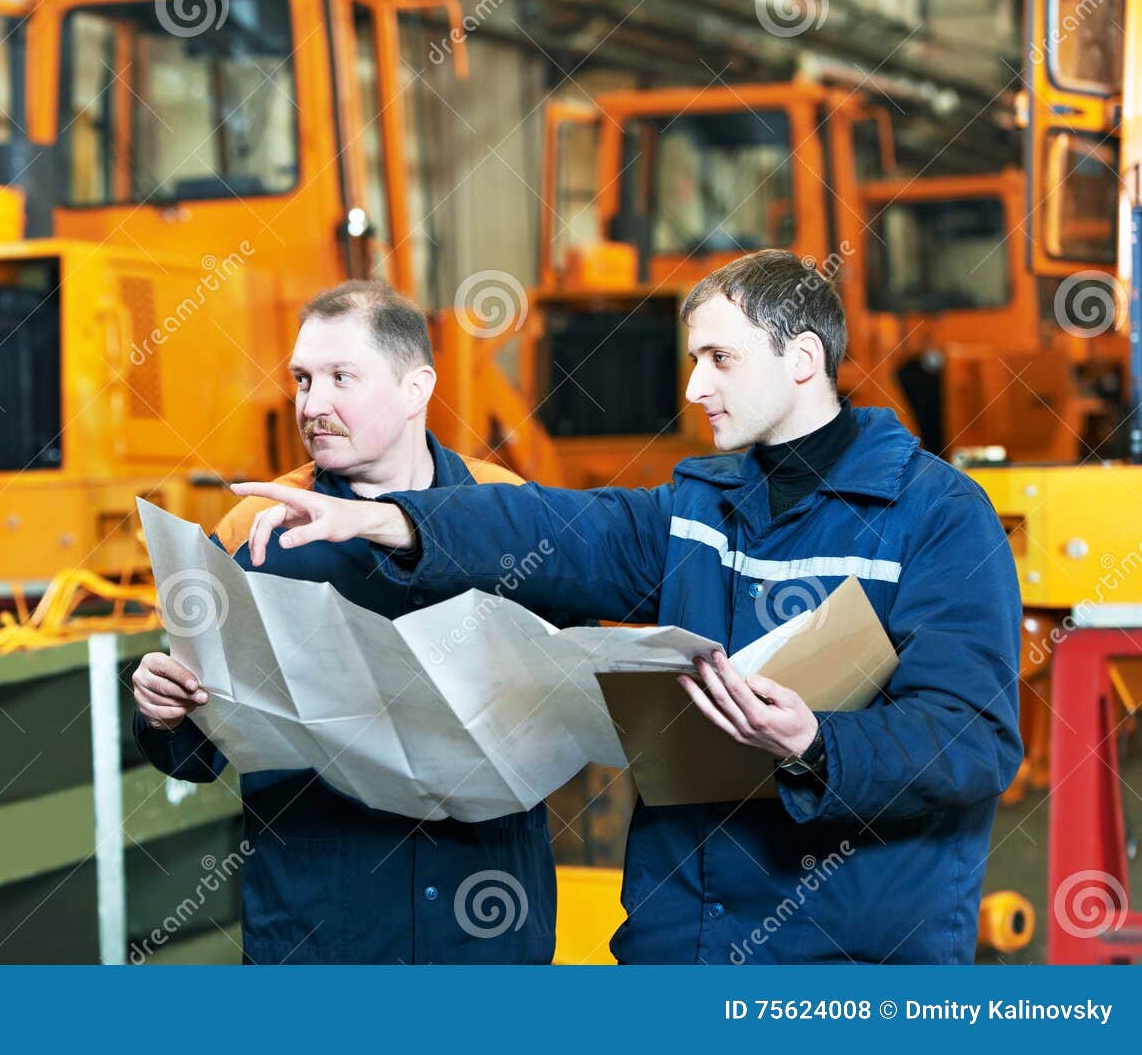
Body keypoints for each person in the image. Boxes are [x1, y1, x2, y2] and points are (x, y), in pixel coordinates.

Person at [232, 249, 1023, 964]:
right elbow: (553, 527)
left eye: (718, 358)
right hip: (681, 944)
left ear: (803, 359)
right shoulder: (695, 508)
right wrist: (386, 517)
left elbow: (974, 736)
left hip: (846, 957)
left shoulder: (937, 515)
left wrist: (818, 741)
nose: (693, 386)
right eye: (693, 359)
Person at [132, 279, 559, 964]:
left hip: (483, 922)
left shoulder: (509, 514)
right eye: (303, 379)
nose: (312, 403)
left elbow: (580, 695)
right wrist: (163, 710)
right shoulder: (251, 535)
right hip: (321, 932)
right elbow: (195, 751)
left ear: (417, 387)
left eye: (341, 377)